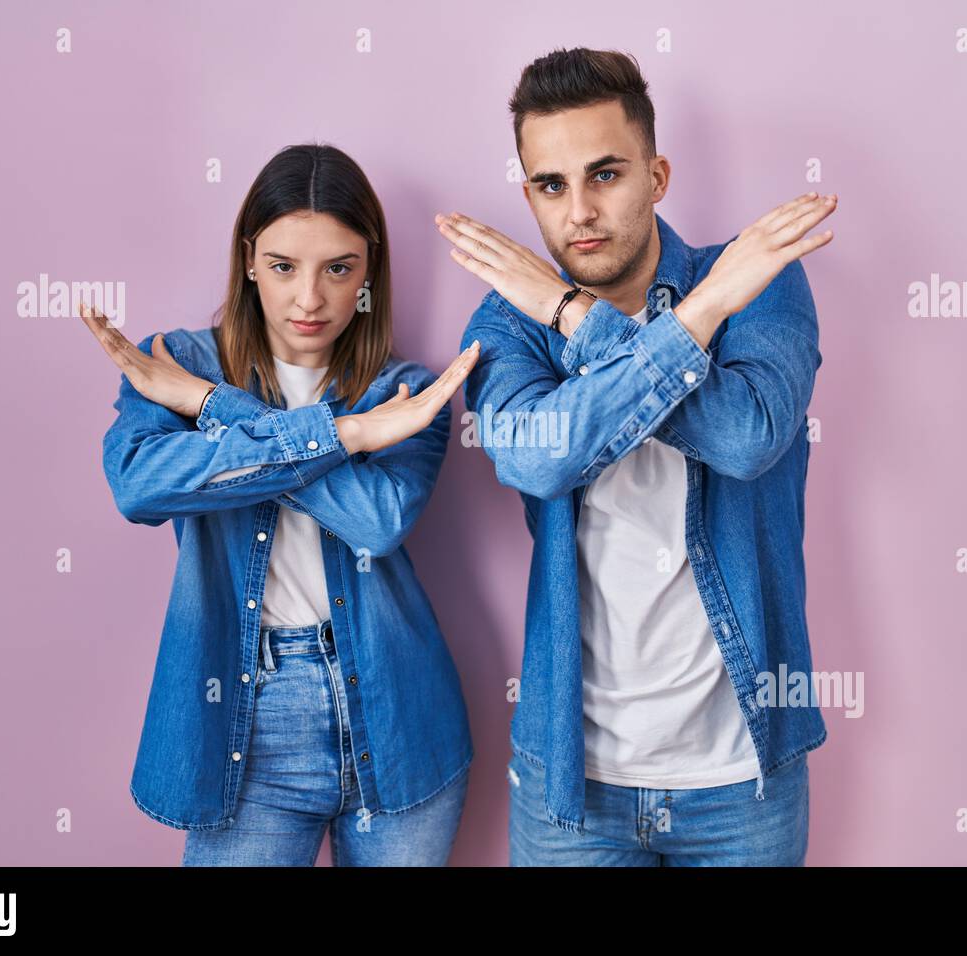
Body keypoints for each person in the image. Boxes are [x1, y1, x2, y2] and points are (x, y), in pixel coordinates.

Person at [441, 47, 836, 865]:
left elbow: (747, 438)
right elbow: (536, 458)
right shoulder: (512, 319)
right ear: (529, 194)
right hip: (573, 787)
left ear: (657, 176)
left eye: (606, 175)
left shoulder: (757, 280)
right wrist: (688, 317)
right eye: (550, 186)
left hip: (743, 778)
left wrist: (579, 314)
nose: (579, 211)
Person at [84, 143, 479, 866]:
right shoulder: (175, 362)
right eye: (283, 267)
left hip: (399, 712)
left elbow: (377, 522)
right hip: (249, 715)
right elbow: (138, 487)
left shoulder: (404, 392)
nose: (309, 299)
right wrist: (345, 436)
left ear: (369, 272)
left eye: (339, 268)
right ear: (247, 260)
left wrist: (211, 409)